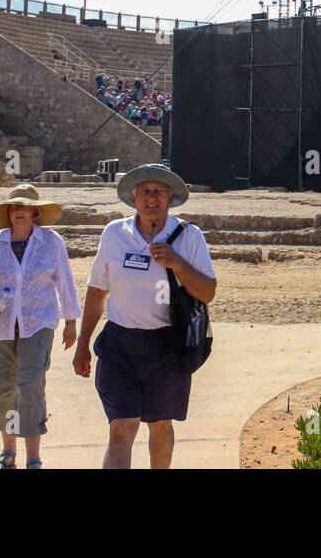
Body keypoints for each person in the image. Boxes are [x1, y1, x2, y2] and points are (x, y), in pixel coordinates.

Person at [73, 164, 215, 469]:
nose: (152, 198)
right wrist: (83, 342)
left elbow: (208, 292)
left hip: (167, 345)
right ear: (133, 199)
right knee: (121, 427)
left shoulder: (189, 236)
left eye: (159, 192)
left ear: (170, 199)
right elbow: (97, 290)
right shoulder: (114, 233)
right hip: (119, 344)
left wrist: (177, 263)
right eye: (145, 192)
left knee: (160, 424)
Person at [0, 184, 80, 469]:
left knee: (31, 384)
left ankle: (34, 456)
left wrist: (71, 320)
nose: (19, 211)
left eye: (24, 206)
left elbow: (65, 281)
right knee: (2, 388)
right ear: (8, 213)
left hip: (38, 323)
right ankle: (8, 452)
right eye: (14, 207)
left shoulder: (51, 242)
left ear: (35, 211)